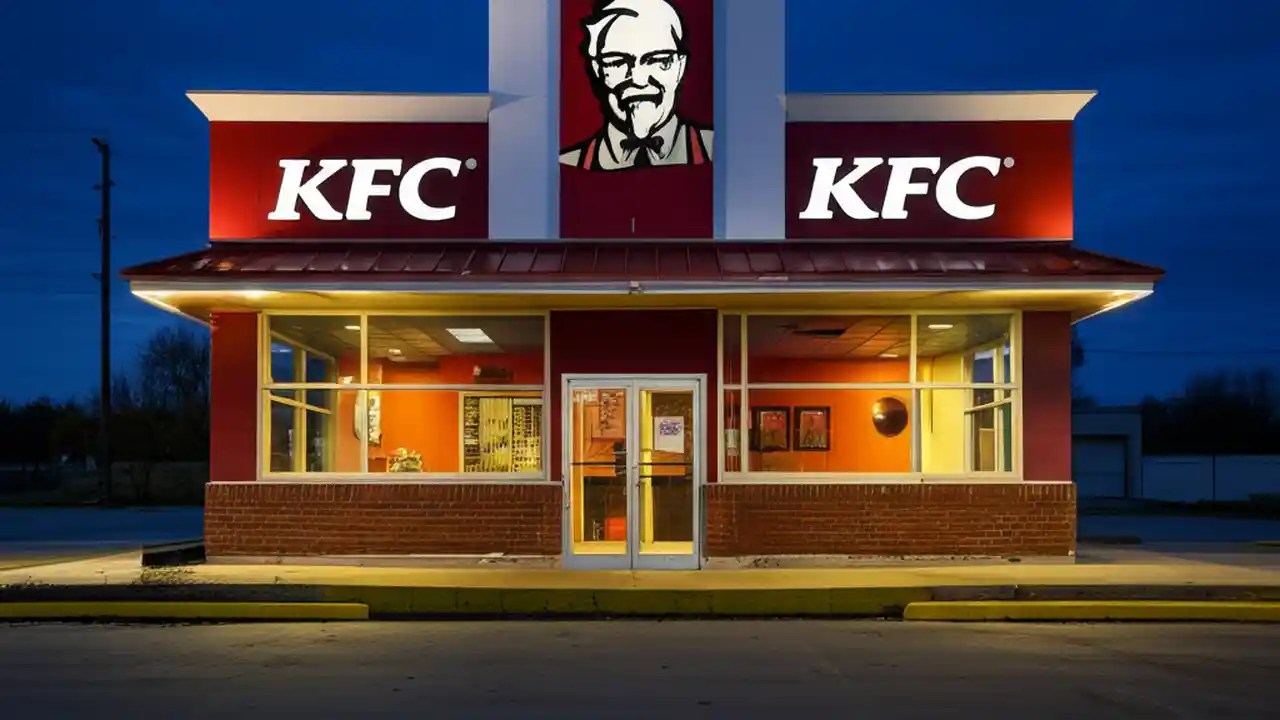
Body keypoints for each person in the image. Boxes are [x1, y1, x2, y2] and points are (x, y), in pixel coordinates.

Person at [560, 0, 713, 171]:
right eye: (617, 62)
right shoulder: (565, 165)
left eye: (659, 60)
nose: (639, 80)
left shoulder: (719, 151)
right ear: (598, 69)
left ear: (680, 66)